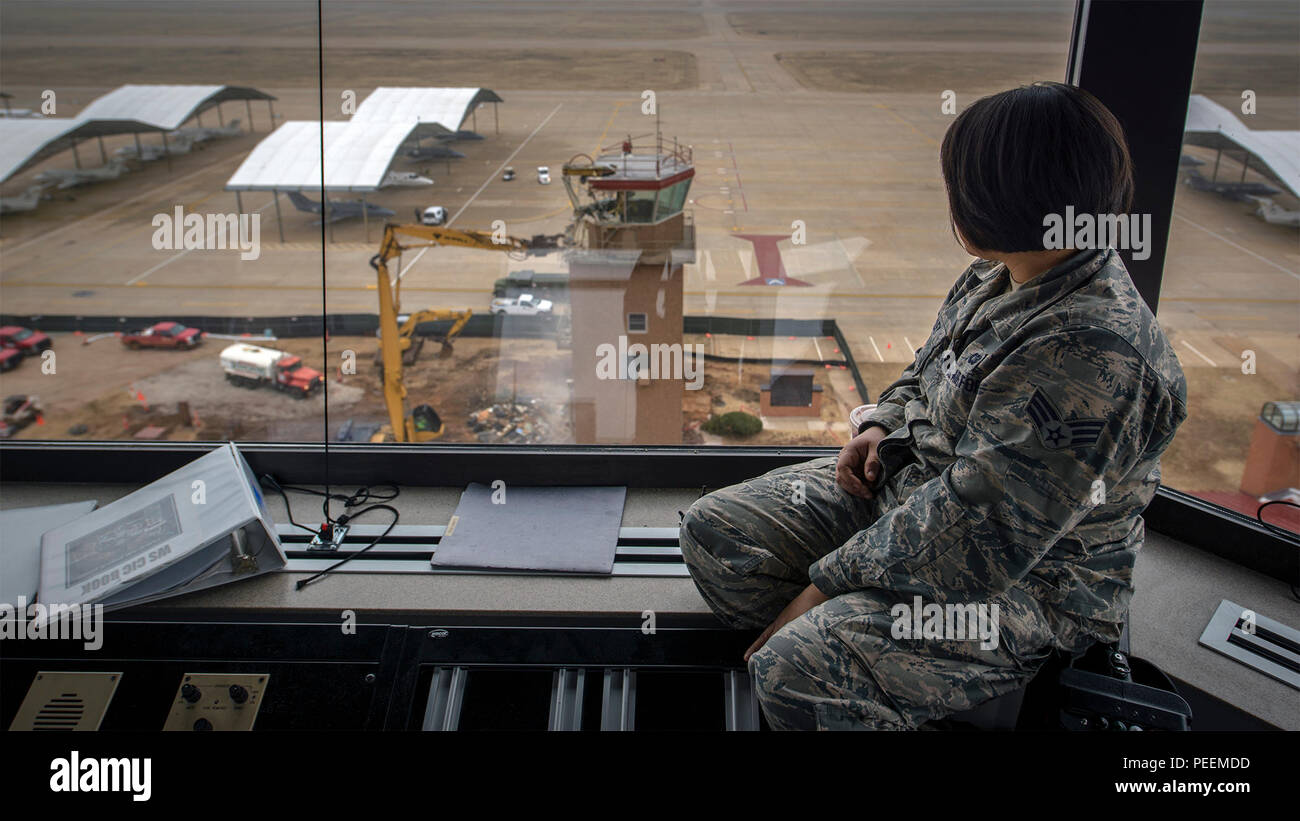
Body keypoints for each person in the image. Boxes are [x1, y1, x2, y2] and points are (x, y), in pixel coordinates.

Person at [679, 82, 1188, 730]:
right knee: (716, 535)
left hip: (1031, 581)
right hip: (918, 491)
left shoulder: (1094, 353)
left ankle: (885, 665)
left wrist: (826, 586)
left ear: (1002, 201)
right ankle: (887, 661)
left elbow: (981, 527)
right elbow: (927, 367)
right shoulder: (1002, 271)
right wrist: (884, 423)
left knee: (795, 667)